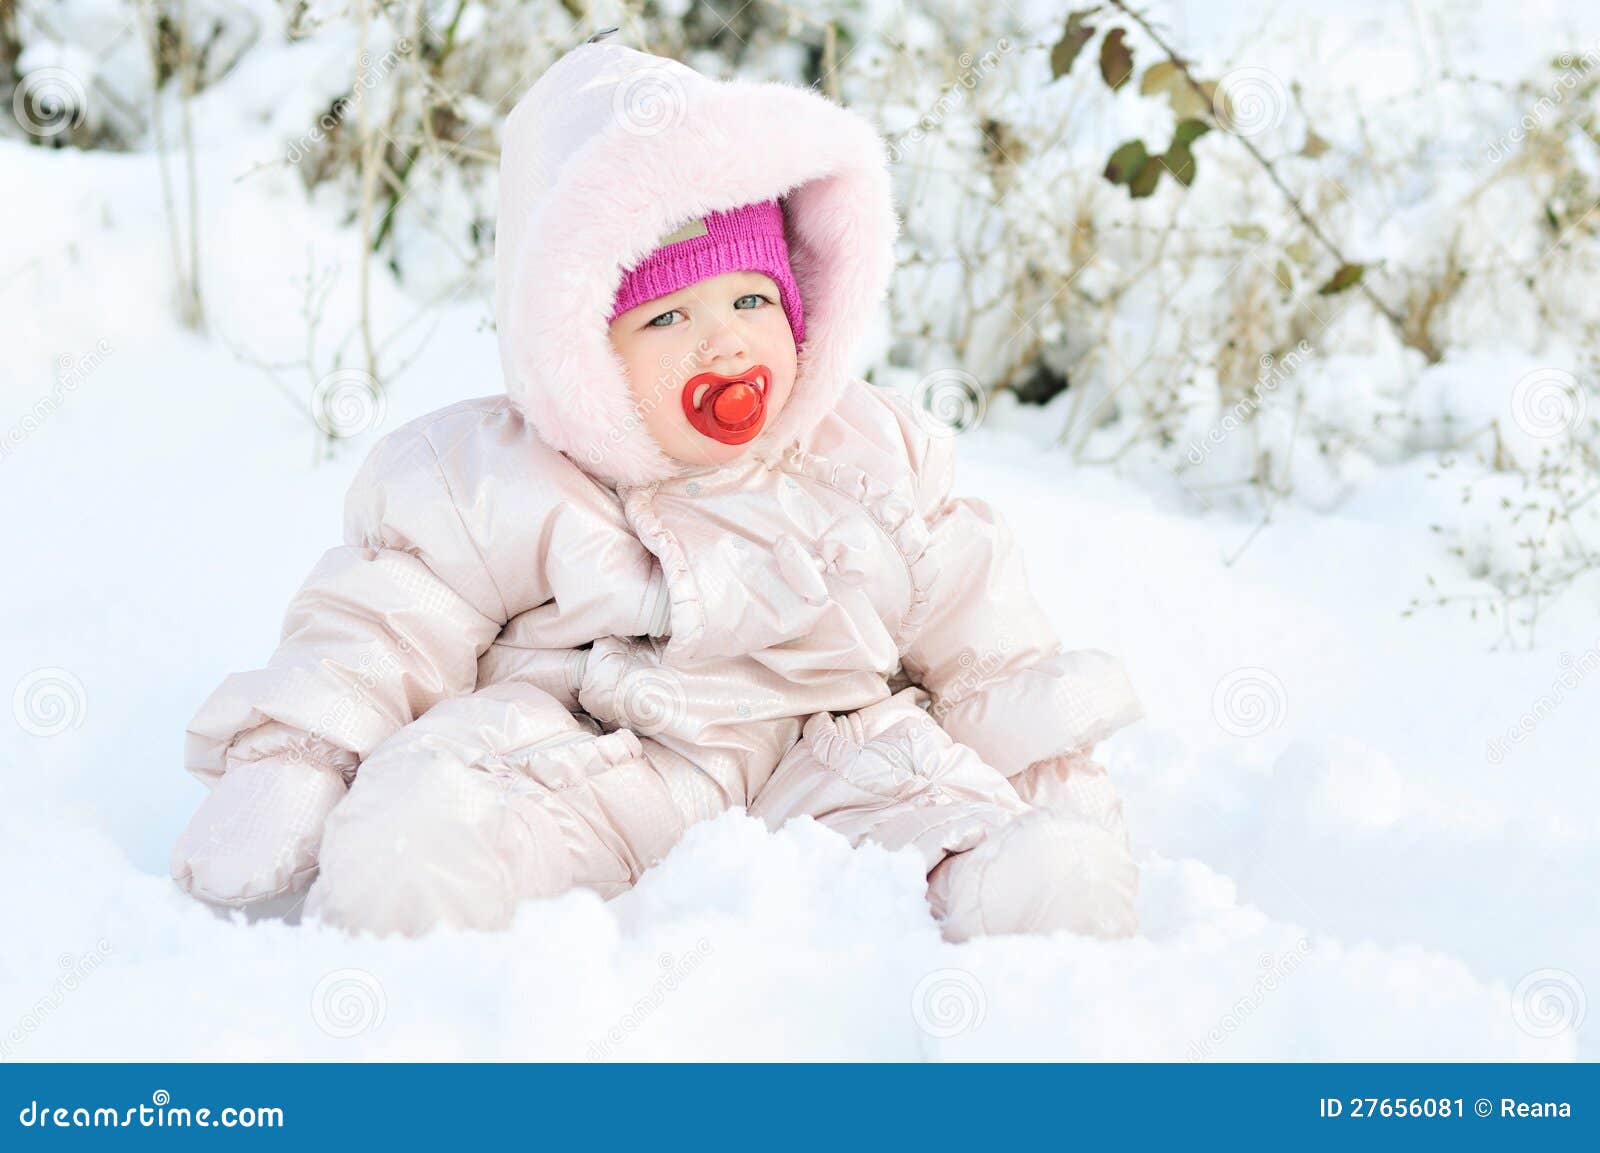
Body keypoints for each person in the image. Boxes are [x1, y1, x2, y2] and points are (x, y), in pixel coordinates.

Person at [169, 36, 1145, 941]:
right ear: (581, 348)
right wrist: (298, 758)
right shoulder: (494, 473)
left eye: (751, 299)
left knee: (944, 812)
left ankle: (999, 885)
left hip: (833, 760)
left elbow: (987, 635)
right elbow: (383, 619)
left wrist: (1050, 771)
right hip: (600, 757)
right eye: (668, 315)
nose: (723, 339)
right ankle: (436, 897)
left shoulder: (871, 452)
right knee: (431, 820)